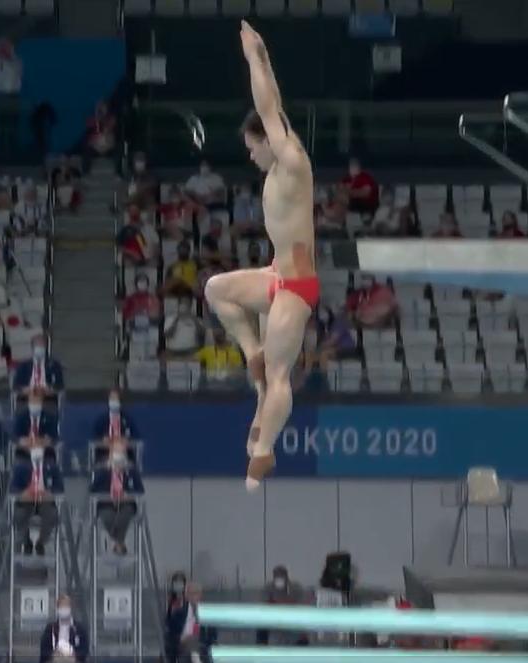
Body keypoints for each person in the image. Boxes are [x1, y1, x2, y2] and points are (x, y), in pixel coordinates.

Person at [204, 21, 319, 490]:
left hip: (298, 286)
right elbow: (273, 107)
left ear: (270, 140)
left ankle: (265, 451)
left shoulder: (290, 161)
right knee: (217, 290)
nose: (251, 157)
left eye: (253, 149)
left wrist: (255, 57)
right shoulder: (276, 162)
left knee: (280, 375)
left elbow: (268, 105)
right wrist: (262, 63)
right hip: (276, 274)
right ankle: (251, 356)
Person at [10, 436, 63, 556]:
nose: (37, 450)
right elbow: (13, 488)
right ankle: (26, 542)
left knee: (51, 515)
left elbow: (60, 488)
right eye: (34, 447)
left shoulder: (52, 467)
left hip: (45, 501)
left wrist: (51, 494)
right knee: (19, 514)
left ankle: (41, 542)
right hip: (26, 502)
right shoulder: (21, 467)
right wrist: (22, 494)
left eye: (40, 447)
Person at [90, 441, 144, 555]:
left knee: (125, 514)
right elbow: (93, 489)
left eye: (121, 453)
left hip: (126, 503)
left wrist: (128, 494)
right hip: (106, 503)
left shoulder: (132, 470)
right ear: (110, 454)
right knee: (107, 516)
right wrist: (109, 494)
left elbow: (140, 490)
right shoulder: (102, 470)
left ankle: (116, 541)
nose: (118, 456)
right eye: (115, 452)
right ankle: (120, 542)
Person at [39, 595, 88, 663]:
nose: (64, 609)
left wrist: (74, 655)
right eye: (61, 606)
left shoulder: (79, 628)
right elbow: (44, 649)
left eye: (66, 606)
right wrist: (53, 655)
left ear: (70, 608)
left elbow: (84, 649)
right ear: (57, 609)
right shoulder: (50, 628)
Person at [164, 572, 189, 663]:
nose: (178, 585)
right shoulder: (169, 601)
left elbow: (190, 620)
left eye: (180, 583)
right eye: (176, 583)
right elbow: (167, 620)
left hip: (184, 638)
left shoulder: (188, 601)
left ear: (184, 585)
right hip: (170, 639)